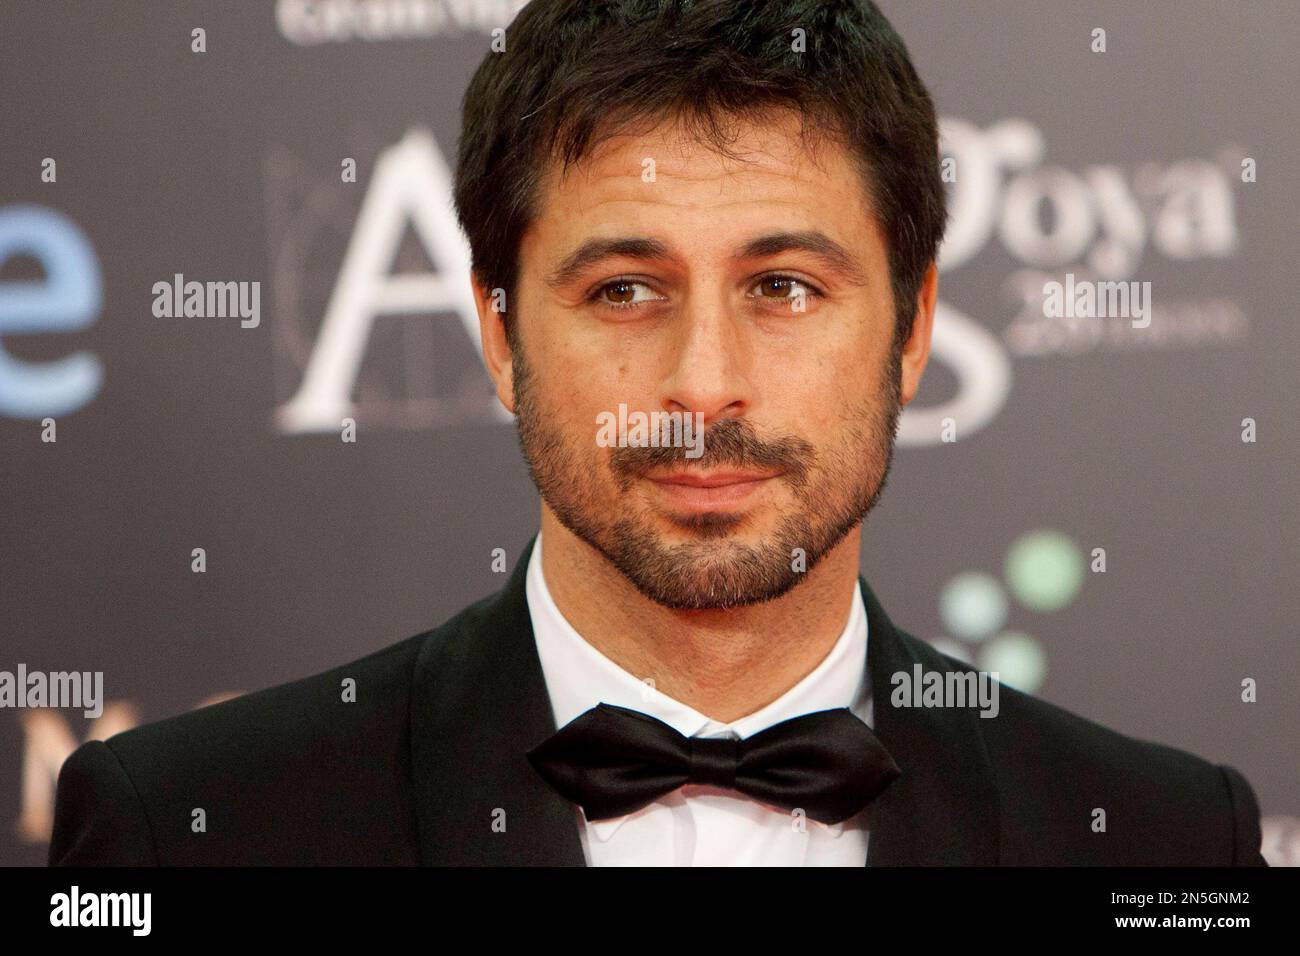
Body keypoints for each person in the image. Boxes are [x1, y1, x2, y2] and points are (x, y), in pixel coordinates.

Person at [50, 0, 1266, 866]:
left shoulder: (1161, 839)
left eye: (783, 285)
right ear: (498, 329)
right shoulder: (191, 829)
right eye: (624, 289)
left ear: (912, 326)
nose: (702, 385)